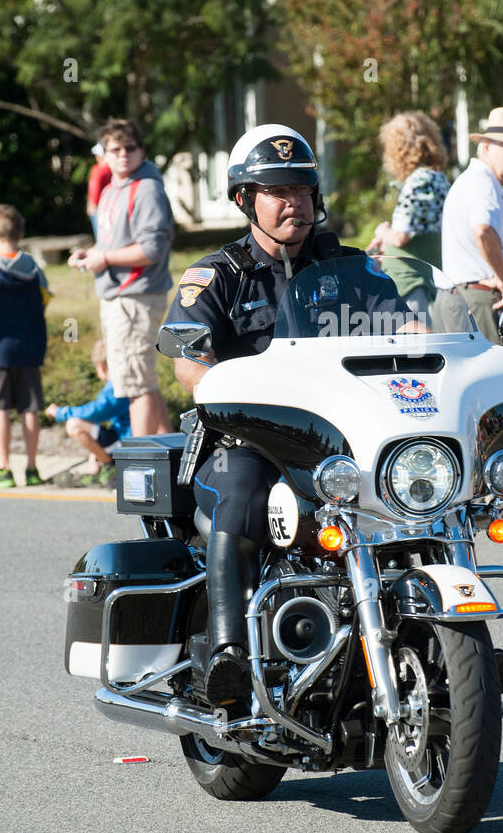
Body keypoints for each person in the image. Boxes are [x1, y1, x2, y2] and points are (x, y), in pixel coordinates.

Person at [164, 123, 407, 709]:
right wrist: (225, 388)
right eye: (277, 191)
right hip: (246, 440)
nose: (293, 201)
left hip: (341, 440)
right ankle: (226, 655)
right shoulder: (216, 276)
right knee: (243, 496)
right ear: (248, 200)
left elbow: (408, 326)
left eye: (301, 189)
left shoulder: (351, 270)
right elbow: (187, 363)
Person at [68, 118, 173, 438]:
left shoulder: (147, 189)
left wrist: (105, 258)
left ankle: (140, 464)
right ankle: (172, 456)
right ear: (104, 154)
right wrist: (91, 254)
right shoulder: (113, 189)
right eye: (116, 149)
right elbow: (112, 243)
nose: (123, 154)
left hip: (136, 298)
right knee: (139, 382)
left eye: (131, 148)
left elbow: (152, 248)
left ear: (142, 151)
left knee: (136, 388)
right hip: (118, 297)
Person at [0, 203, 50, 488]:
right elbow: (44, 299)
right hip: (29, 349)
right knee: (30, 408)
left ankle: (3, 468)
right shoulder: (33, 267)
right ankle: (32, 468)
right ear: (21, 232)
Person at [441, 107, 503, 343]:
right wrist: (502, 279)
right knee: (497, 376)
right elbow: (483, 231)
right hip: (479, 299)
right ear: (486, 147)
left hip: (469, 296)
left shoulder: (475, 180)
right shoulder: (483, 183)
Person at [366, 111, 450, 314]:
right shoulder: (437, 178)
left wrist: (382, 231)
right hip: (424, 279)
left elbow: (400, 237)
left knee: (415, 343)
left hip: (412, 284)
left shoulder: (419, 181)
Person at [45, 339, 132, 487]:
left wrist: (60, 412)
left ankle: (109, 466)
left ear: (101, 367)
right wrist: (94, 453)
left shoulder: (117, 387)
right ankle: (104, 462)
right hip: (122, 436)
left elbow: (94, 412)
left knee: (74, 425)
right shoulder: (129, 381)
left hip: (123, 442)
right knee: (88, 427)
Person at [86, 142, 111, 241]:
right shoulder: (112, 169)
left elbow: (94, 188)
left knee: (101, 238)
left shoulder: (98, 170)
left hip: (98, 207)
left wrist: (93, 204)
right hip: (110, 206)